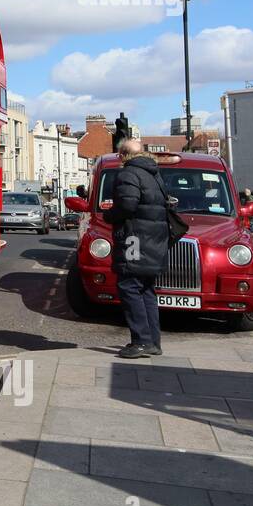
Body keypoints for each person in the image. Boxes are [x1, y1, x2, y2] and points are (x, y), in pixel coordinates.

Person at [103, 138, 171, 359]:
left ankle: (140, 341)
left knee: (130, 286)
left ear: (122, 155)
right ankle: (153, 341)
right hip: (154, 238)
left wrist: (109, 215)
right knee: (146, 289)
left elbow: (127, 205)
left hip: (135, 238)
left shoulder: (128, 173)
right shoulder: (154, 173)